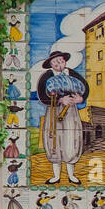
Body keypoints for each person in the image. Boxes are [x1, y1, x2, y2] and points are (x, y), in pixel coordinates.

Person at [36, 50, 89, 185]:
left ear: (64, 61)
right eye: (55, 62)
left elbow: (85, 88)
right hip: (54, 111)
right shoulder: (46, 77)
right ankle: (56, 176)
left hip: (70, 111)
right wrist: (60, 100)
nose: (58, 64)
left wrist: (79, 98)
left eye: (60, 61)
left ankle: (71, 175)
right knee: (54, 139)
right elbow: (42, 95)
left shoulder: (72, 74)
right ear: (51, 64)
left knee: (71, 139)